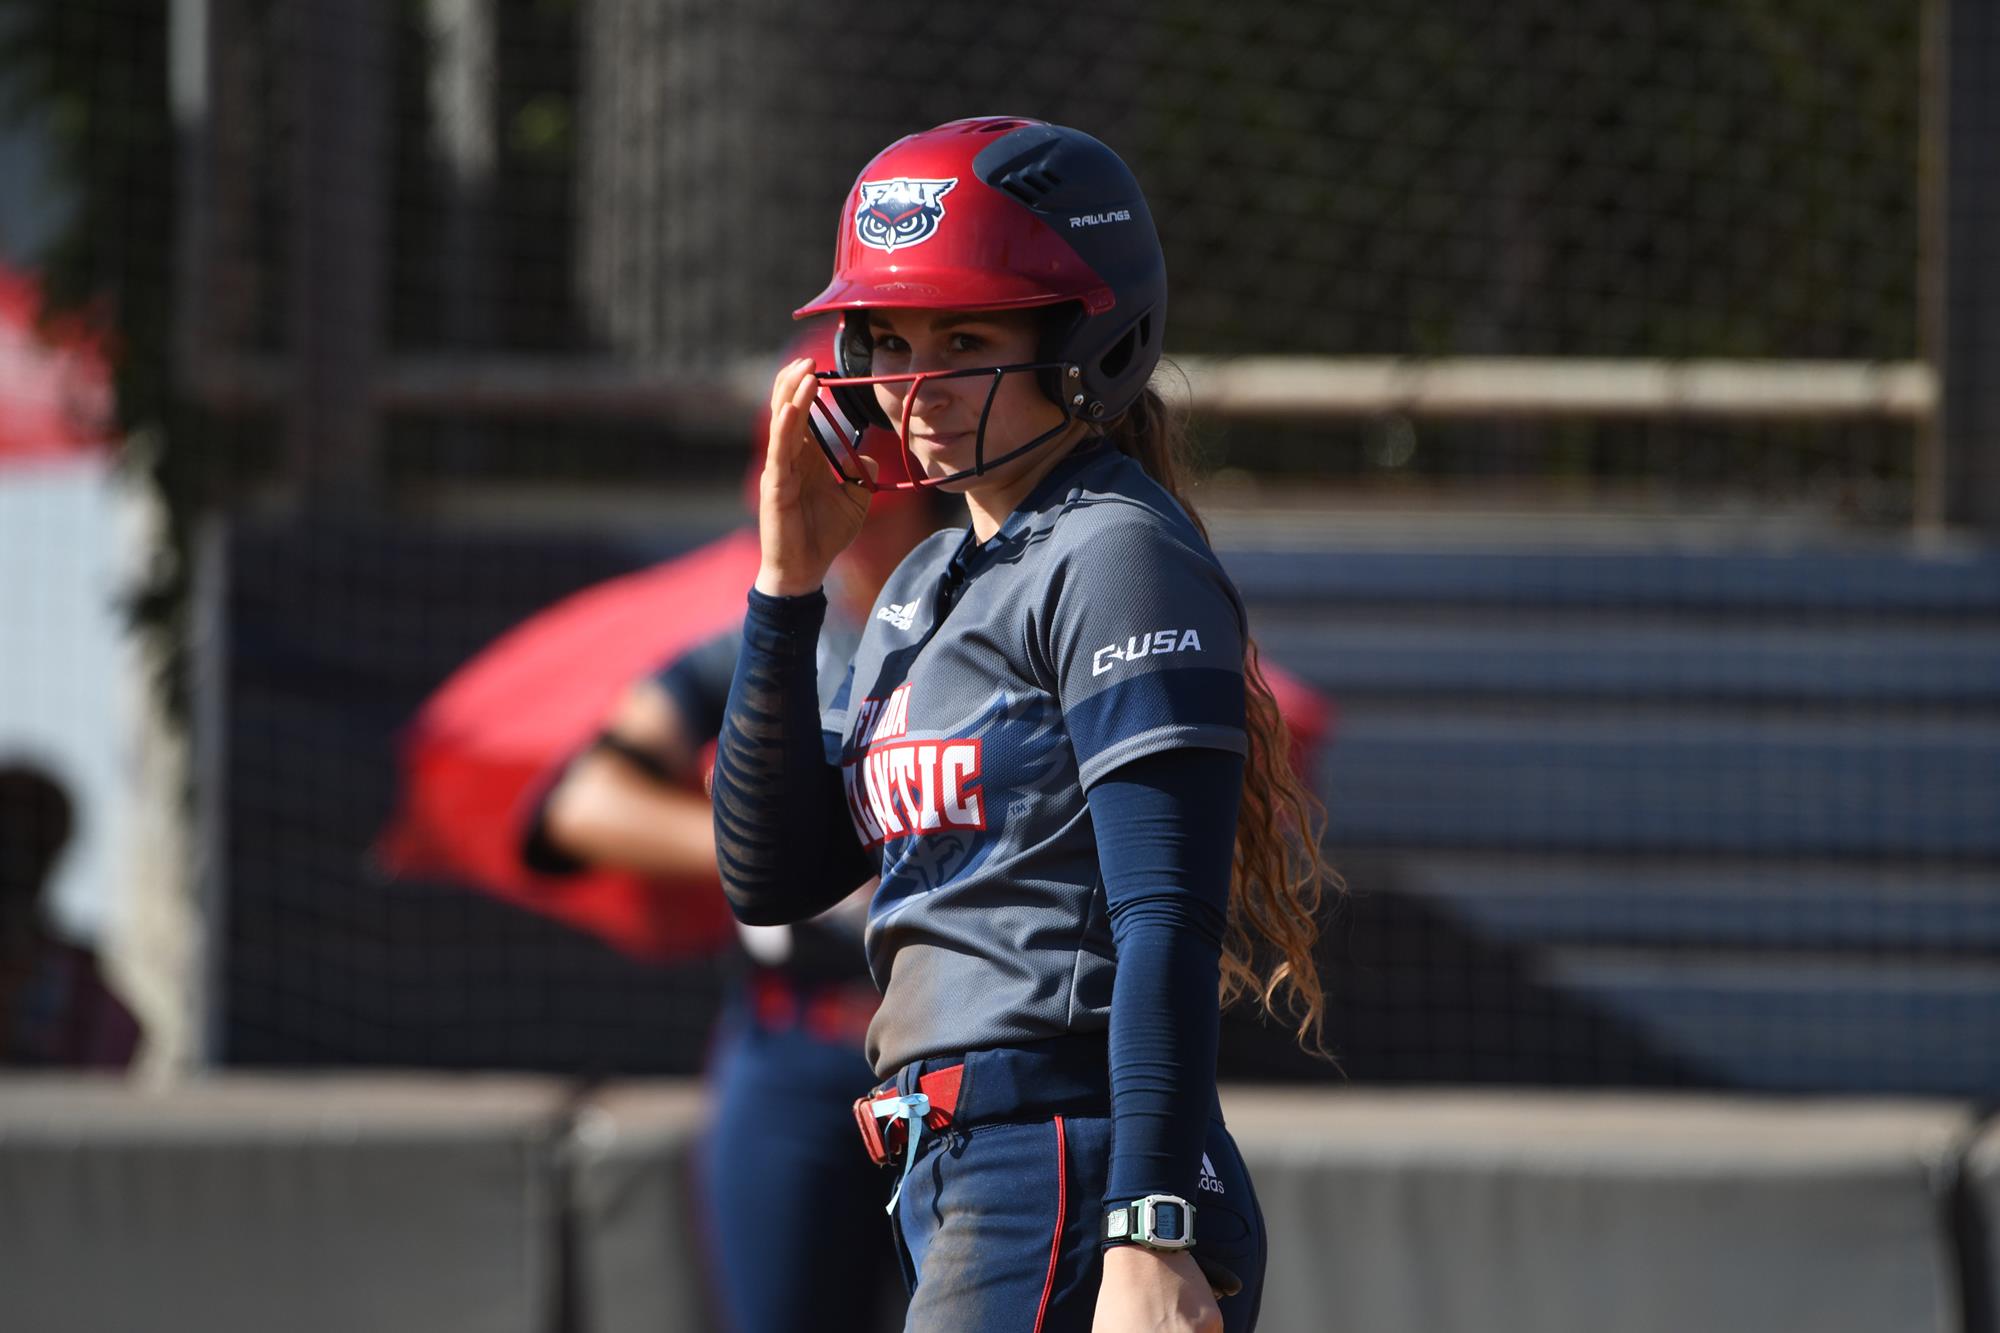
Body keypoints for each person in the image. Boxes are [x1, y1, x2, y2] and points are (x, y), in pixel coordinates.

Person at [712, 118, 1334, 1332]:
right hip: (959, 1172)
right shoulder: (925, 582)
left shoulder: (1114, 552)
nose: (917, 383)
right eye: (891, 340)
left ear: (1084, 344)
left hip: (1070, 1165)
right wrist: (785, 587)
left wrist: (1150, 1225)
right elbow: (769, 874)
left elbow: (1164, 920)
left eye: (966, 339)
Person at [521, 324, 952, 1332]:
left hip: (958, 1041)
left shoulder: (991, 625)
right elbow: (579, 806)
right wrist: (777, 850)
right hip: (796, 1048)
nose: (862, 520)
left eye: (884, 496)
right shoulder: (765, 640)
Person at [1, 763, 140, 1067]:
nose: (13, 858)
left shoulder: (76, 984)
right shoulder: (74, 979)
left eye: (30, 843)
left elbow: (121, 1040)